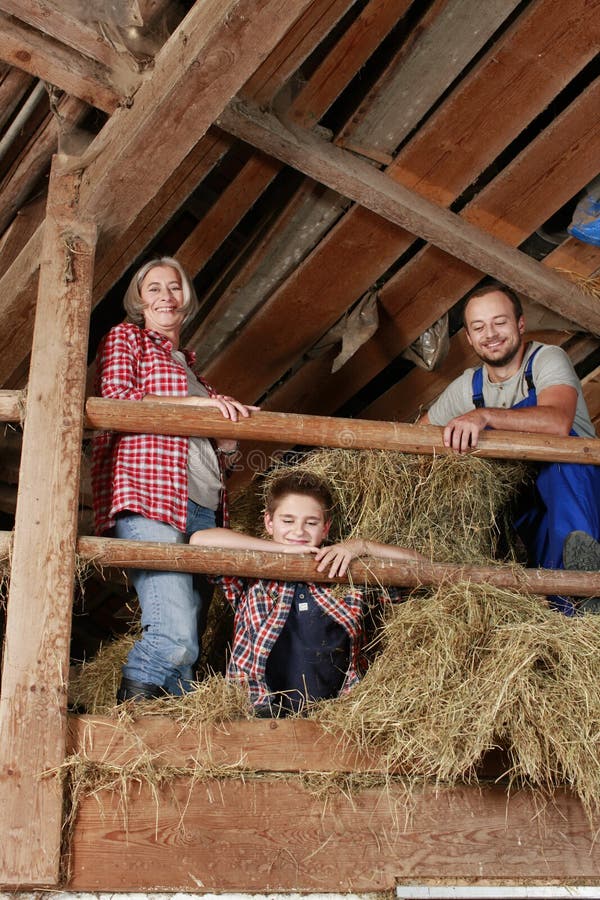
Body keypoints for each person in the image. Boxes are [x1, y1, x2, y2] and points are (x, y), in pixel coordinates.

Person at [91, 256, 257, 701]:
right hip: (150, 496)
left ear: (187, 301)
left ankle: (167, 737)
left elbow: (211, 450)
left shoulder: (190, 368)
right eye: (154, 289)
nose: (166, 296)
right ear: (139, 302)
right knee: (174, 631)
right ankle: (125, 729)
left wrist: (227, 443)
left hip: (201, 504)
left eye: (175, 287)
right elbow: (118, 399)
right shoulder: (128, 338)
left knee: (191, 642)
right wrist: (201, 407)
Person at [418, 280, 600, 612]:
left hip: (581, 489)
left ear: (520, 324)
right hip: (526, 502)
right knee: (554, 586)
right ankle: (575, 608)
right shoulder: (468, 388)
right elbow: (418, 437)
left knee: (561, 461)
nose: (491, 333)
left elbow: (557, 422)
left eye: (499, 322)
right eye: (479, 327)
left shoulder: (546, 359)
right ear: (470, 339)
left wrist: (483, 417)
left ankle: (586, 575)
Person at [190, 471, 425, 716]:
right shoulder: (253, 576)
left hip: (334, 717)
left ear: (325, 528)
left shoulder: (346, 579)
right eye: (288, 521)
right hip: (257, 713)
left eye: (311, 523)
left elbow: (423, 569)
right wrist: (281, 551)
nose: (299, 532)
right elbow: (200, 541)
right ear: (269, 523)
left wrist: (360, 546)